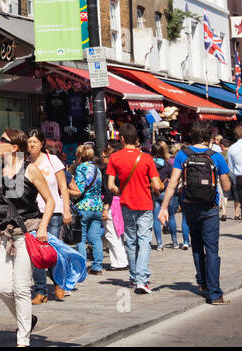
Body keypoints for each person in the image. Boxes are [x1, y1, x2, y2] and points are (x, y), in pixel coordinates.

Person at [0, 127, 55, 347]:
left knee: (22, 288)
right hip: (0, 234)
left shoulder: (31, 170)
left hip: (26, 234)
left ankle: (22, 340)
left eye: (2, 140)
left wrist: (43, 227)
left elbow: (50, 201)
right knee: (3, 288)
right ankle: (27, 319)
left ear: (14, 147)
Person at [158, 121, 233, 304]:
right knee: (212, 249)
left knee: (197, 245)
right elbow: (226, 186)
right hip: (210, 207)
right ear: (209, 137)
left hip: (189, 206)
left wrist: (164, 207)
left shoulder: (182, 155)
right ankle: (215, 294)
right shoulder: (216, 157)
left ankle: (202, 282)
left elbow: (173, 183)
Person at [106, 122, 162, 294]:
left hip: (126, 204)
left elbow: (111, 185)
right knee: (144, 241)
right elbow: (157, 185)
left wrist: (122, 191)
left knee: (130, 241)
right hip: (145, 204)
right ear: (136, 139)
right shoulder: (146, 158)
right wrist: (156, 188)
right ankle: (141, 279)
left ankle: (133, 277)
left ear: (122, 139)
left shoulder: (114, 158)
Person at [27, 129, 69, 303]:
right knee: (37, 251)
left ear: (42, 143)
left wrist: (66, 209)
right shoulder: (26, 163)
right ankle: (40, 290)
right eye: (29, 142)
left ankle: (58, 282)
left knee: (51, 249)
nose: (31, 145)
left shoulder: (52, 160)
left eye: (35, 142)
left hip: (54, 211)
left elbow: (63, 187)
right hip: (34, 212)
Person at [68, 143, 105, 275]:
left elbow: (79, 190)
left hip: (83, 206)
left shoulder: (81, 169)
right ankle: (97, 266)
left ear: (79, 156)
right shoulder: (97, 169)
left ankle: (81, 266)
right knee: (95, 238)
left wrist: (65, 190)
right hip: (97, 206)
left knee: (80, 238)